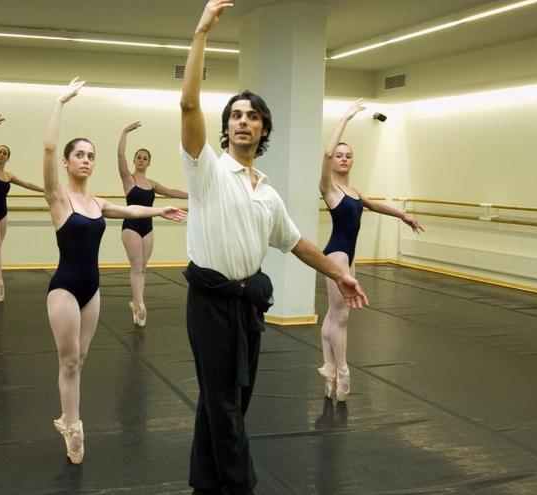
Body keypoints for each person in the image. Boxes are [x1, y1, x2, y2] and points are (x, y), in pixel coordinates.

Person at [179, 2, 369, 493]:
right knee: (222, 401)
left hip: (247, 304)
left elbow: (296, 242)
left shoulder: (266, 189)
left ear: (263, 130)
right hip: (210, 302)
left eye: (252, 117)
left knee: (232, 397)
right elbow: (187, 107)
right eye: (235, 116)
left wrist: (338, 274)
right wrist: (201, 33)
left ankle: (205, 481)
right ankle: (240, 486)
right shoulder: (206, 171)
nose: (243, 122)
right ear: (226, 128)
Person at [42, 78, 186, 464]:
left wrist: (160, 210)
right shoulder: (58, 198)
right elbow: (49, 145)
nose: (86, 160)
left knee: (82, 357)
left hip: (92, 289)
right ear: (67, 162)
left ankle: (68, 417)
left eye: (91, 155)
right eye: (80, 155)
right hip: (65, 290)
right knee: (69, 361)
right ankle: (72, 424)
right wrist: (60, 103)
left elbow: (132, 210)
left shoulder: (97, 201)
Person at [318, 99, 424, 401]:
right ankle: (342, 370)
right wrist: (346, 118)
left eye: (348, 155)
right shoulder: (329, 188)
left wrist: (403, 215)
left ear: (353, 161)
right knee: (341, 318)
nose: (342, 158)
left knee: (333, 314)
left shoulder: (353, 191)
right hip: (336, 253)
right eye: (339, 155)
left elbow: (373, 205)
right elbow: (326, 152)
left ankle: (329, 369)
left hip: (347, 256)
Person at [117, 121, 188, 326]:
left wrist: (194, 195)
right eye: (138, 157)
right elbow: (120, 156)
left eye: (145, 158)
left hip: (147, 228)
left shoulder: (152, 184)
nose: (141, 160)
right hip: (131, 226)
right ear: (134, 160)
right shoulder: (128, 179)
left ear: (149, 163)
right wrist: (124, 132)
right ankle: (139, 304)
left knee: (143, 267)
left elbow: (172, 192)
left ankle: (136, 301)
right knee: (136, 266)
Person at [0, 114, 44, 301]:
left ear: (8, 157)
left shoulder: (8, 175)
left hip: (3, 212)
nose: (1, 154)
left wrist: (46, 190)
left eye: (4, 153)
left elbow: (27, 184)